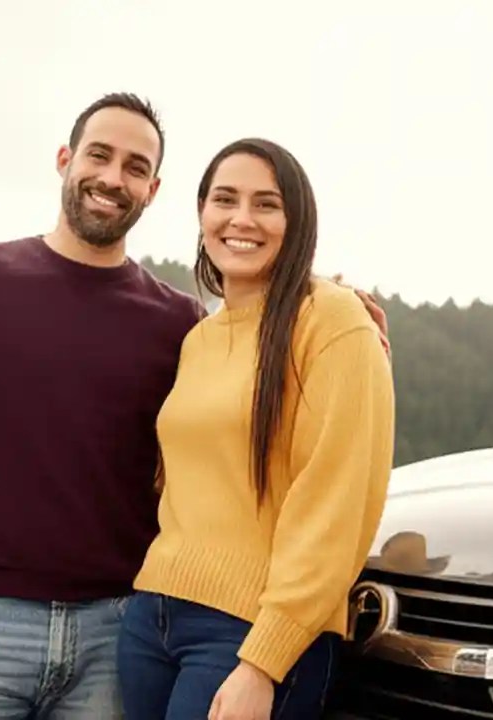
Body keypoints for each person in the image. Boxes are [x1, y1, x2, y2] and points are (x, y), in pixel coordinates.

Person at [0, 94, 389, 719]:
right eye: (99, 155)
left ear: (152, 190)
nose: (112, 177)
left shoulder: (180, 323)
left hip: (116, 633)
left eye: (134, 167)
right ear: (66, 160)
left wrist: (326, 307)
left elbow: (256, 379)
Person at [115, 138, 396, 719]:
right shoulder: (199, 339)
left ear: (296, 221)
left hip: (250, 634)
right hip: (151, 621)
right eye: (225, 199)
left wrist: (264, 660)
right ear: (201, 215)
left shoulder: (333, 318)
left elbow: (336, 502)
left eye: (266, 204)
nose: (242, 219)